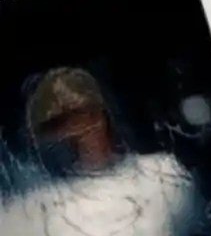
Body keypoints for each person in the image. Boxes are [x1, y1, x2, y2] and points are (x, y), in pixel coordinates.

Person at [0, 67, 198, 236]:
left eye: (81, 117)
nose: (74, 133)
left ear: (103, 118)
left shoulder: (162, 173)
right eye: (57, 126)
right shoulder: (23, 212)